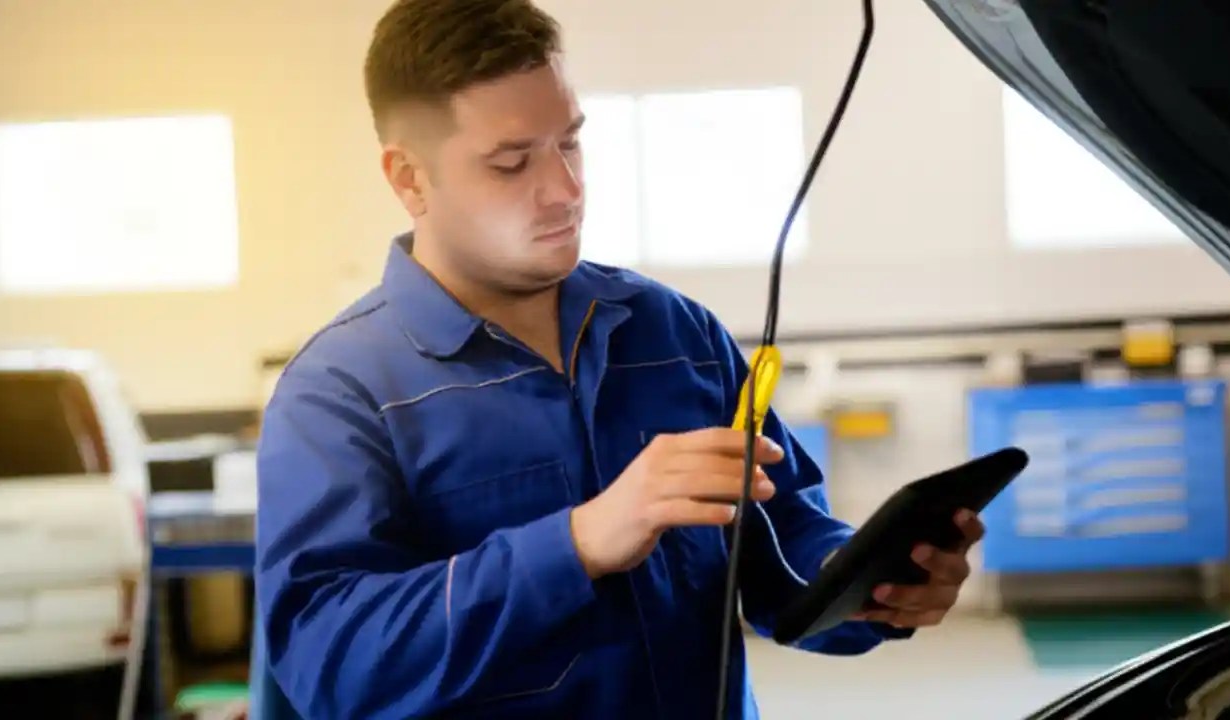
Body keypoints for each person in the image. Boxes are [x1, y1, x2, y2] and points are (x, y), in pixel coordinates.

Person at [254, 0, 986, 717]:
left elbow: (781, 545)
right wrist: (577, 543)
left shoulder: (672, 334)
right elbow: (331, 663)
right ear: (409, 178)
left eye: (569, 143)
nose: (565, 191)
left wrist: (873, 587)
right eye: (511, 164)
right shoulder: (339, 393)